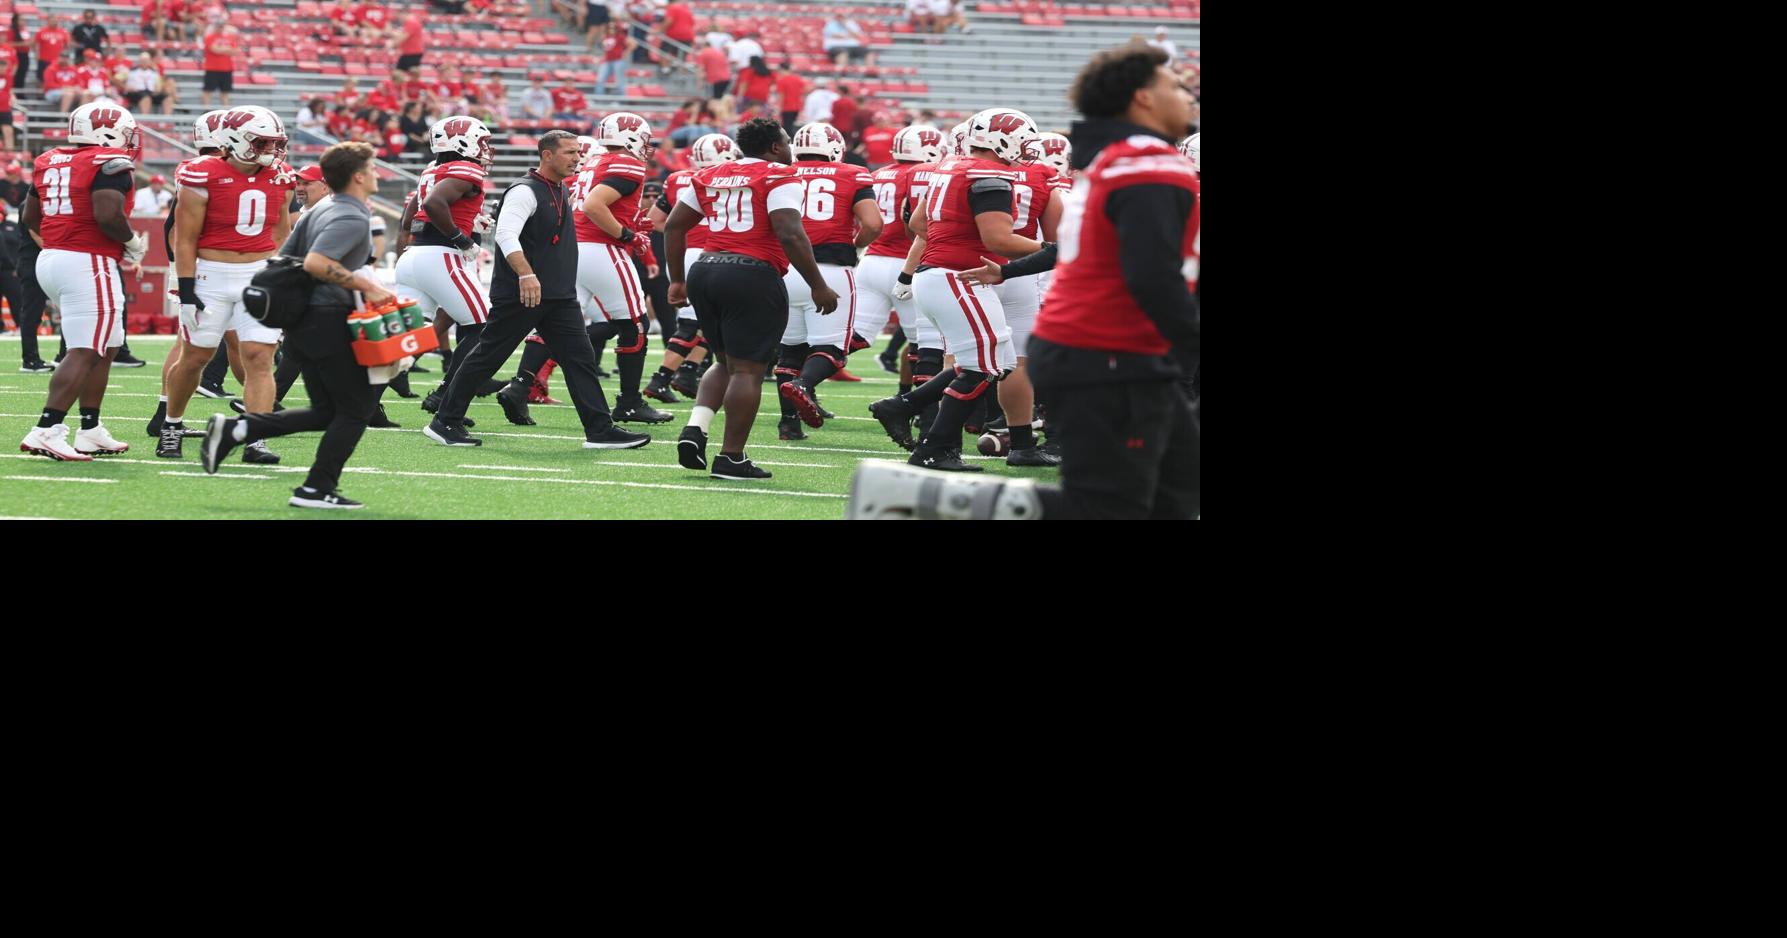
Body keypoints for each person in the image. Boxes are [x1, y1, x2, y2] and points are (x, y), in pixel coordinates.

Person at [850, 44, 1200, 520]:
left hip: (1086, 340)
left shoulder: (1113, 161)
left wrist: (1006, 270)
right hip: (1115, 350)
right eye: (1175, 86)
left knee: (1170, 488)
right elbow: (1148, 271)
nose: (1188, 95)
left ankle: (924, 466)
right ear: (1142, 98)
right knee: (1121, 497)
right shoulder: (1147, 166)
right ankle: (939, 497)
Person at [198, 141, 396, 509]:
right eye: (371, 168)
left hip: (306, 322)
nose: (376, 174)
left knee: (326, 412)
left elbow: (288, 258)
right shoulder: (351, 214)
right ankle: (316, 488)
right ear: (357, 176)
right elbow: (316, 264)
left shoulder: (322, 210)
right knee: (355, 411)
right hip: (329, 322)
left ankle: (239, 429)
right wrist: (368, 286)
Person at [423, 131, 649, 451]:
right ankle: (445, 420)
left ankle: (599, 429)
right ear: (546, 155)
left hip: (558, 295)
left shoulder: (559, 189)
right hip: (524, 291)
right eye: (569, 152)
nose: (577, 158)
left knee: (580, 359)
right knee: (489, 356)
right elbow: (505, 235)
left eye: (577, 152)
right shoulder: (525, 190)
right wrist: (526, 274)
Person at [865, 107, 1045, 472]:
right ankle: (934, 447)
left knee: (996, 362)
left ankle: (903, 408)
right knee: (986, 366)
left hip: (939, 274)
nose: (1024, 150)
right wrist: (1059, 250)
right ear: (1002, 139)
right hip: (958, 276)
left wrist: (953, 239)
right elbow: (1000, 240)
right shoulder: (989, 174)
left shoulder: (950, 166)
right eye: (1021, 141)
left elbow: (918, 222)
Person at [663, 117, 836, 480]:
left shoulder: (712, 173)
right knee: (748, 370)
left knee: (724, 362)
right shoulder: (778, 174)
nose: (790, 149)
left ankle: (696, 428)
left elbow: (675, 225)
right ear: (774, 147)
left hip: (705, 269)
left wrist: (677, 279)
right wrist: (818, 283)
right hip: (751, 272)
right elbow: (789, 232)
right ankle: (731, 457)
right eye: (786, 142)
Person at [157, 106, 296, 463]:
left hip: (258, 273)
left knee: (259, 357)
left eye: (275, 142)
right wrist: (187, 291)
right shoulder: (200, 173)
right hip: (211, 274)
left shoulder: (281, 175)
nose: (272, 150)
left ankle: (255, 438)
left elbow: (282, 230)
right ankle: (171, 424)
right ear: (234, 140)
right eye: (263, 142)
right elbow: (185, 238)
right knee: (196, 357)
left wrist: (281, 275)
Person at [16, 103, 148, 461]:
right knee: (87, 348)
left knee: (106, 345)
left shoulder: (49, 160)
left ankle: (90, 430)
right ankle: (47, 429)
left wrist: (63, 238)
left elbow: (30, 215)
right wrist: (132, 243)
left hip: (55, 258)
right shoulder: (110, 164)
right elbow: (108, 214)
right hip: (88, 260)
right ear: (106, 131)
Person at [771, 123, 879, 441]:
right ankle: (804, 385)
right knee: (832, 347)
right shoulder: (853, 173)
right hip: (830, 270)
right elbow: (873, 223)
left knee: (790, 350)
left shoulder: (778, 172)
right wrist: (855, 243)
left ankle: (788, 424)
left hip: (783, 269)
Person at [562, 113, 671, 424]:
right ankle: (630, 402)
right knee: (635, 324)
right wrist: (626, 235)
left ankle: (522, 385)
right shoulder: (627, 163)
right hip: (602, 248)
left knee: (561, 322)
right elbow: (595, 205)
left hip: (577, 248)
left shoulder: (596, 160)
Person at [397, 116, 502, 411]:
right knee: (482, 327)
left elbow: (409, 220)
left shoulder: (433, 170)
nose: (485, 149)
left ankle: (364, 403)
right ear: (462, 142)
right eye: (481, 142)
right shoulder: (466, 168)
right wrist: (462, 238)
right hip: (441, 257)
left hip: (414, 255)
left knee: (405, 338)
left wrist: (467, 224)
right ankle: (446, 395)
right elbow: (433, 205)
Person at [642, 131, 732, 403]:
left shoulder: (676, 178)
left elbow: (655, 220)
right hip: (712, 255)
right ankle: (660, 379)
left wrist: (681, 233)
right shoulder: (733, 177)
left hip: (682, 254)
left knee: (712, 322)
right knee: (693, 322)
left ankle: (688, 372)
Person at [199, 22, 236, 108]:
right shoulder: (210, 37)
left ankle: (226, 110)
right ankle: (206, 109)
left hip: (226, 68)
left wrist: (221, 49)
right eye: (218, 26)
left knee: (225, 91)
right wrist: (227, 49)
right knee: (207, 90)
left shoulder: (230, 37)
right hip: (212, 68)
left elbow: (235, 51)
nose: (220, 28)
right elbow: (214, 50)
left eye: (221, 26)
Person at [597, 21, 634, 96]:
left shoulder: (620, 37)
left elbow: (633, 44)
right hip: (607, 60)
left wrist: (625, 53)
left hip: (617, 60)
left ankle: (621, 100)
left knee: (619, 81)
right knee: (600, 79)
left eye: (613, 28)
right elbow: (606, 48)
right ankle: (598, 98)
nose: (611, 29)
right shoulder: (606, 37)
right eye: (609, 28)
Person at [34, 15, 69, 86]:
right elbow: (36, 43)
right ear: (48, 21)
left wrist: (63, 56)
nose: (54, 22)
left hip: (57, 61)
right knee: (41, 78)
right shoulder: (41, 31)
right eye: (52, 21)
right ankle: (40, 96)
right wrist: (37, 54)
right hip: (44, 59)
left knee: (56, 78)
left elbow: (66, 44)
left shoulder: (62, 32)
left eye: (56, 20)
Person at [774, 61, 806, 136]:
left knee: (787, 128)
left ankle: (790, 143)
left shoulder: (781, 81)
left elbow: (781, 96)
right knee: (791, 126)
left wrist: (778, 108)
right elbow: (803, 92)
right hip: (796, 107)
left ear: (782, 69)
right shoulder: (798, 79)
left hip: (787, 108)